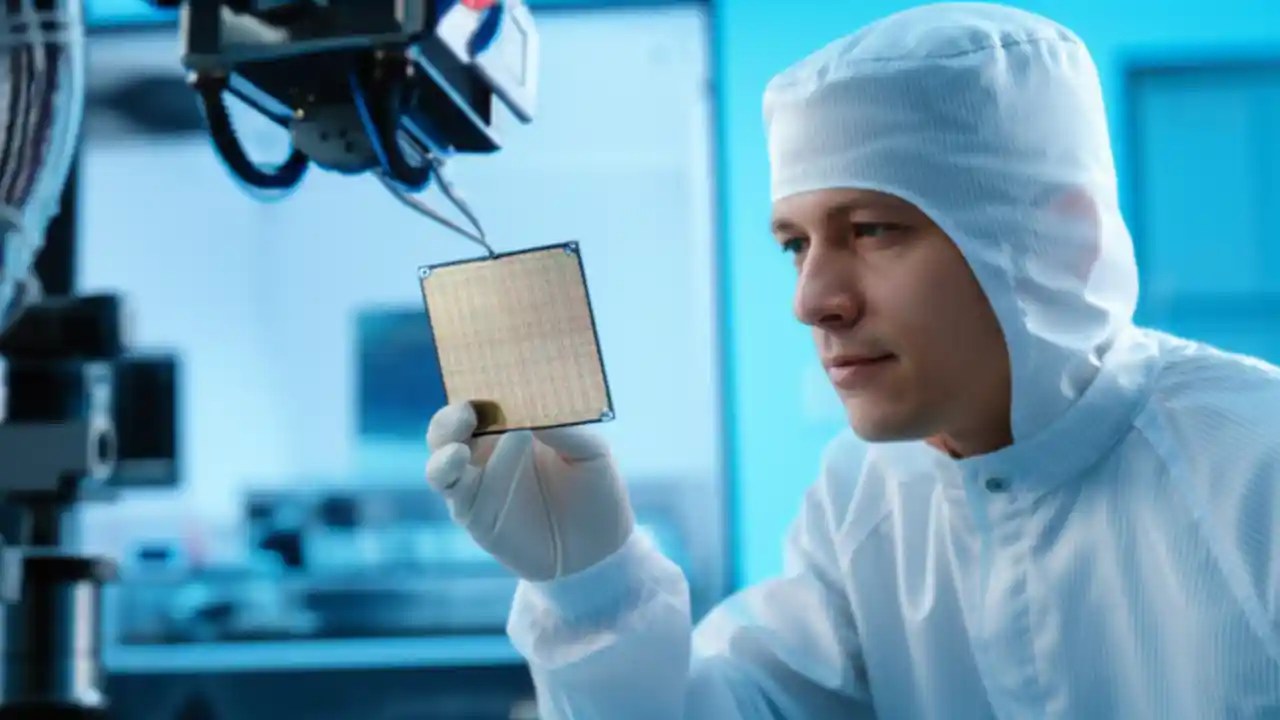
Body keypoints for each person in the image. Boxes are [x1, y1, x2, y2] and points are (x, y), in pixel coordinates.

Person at [424, 2, 1280, 718]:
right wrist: (593, 591)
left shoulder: (1257, 472)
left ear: (1058, 237)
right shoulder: (865, 496)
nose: (812, 300)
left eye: (872, 230)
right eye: (795, 245)